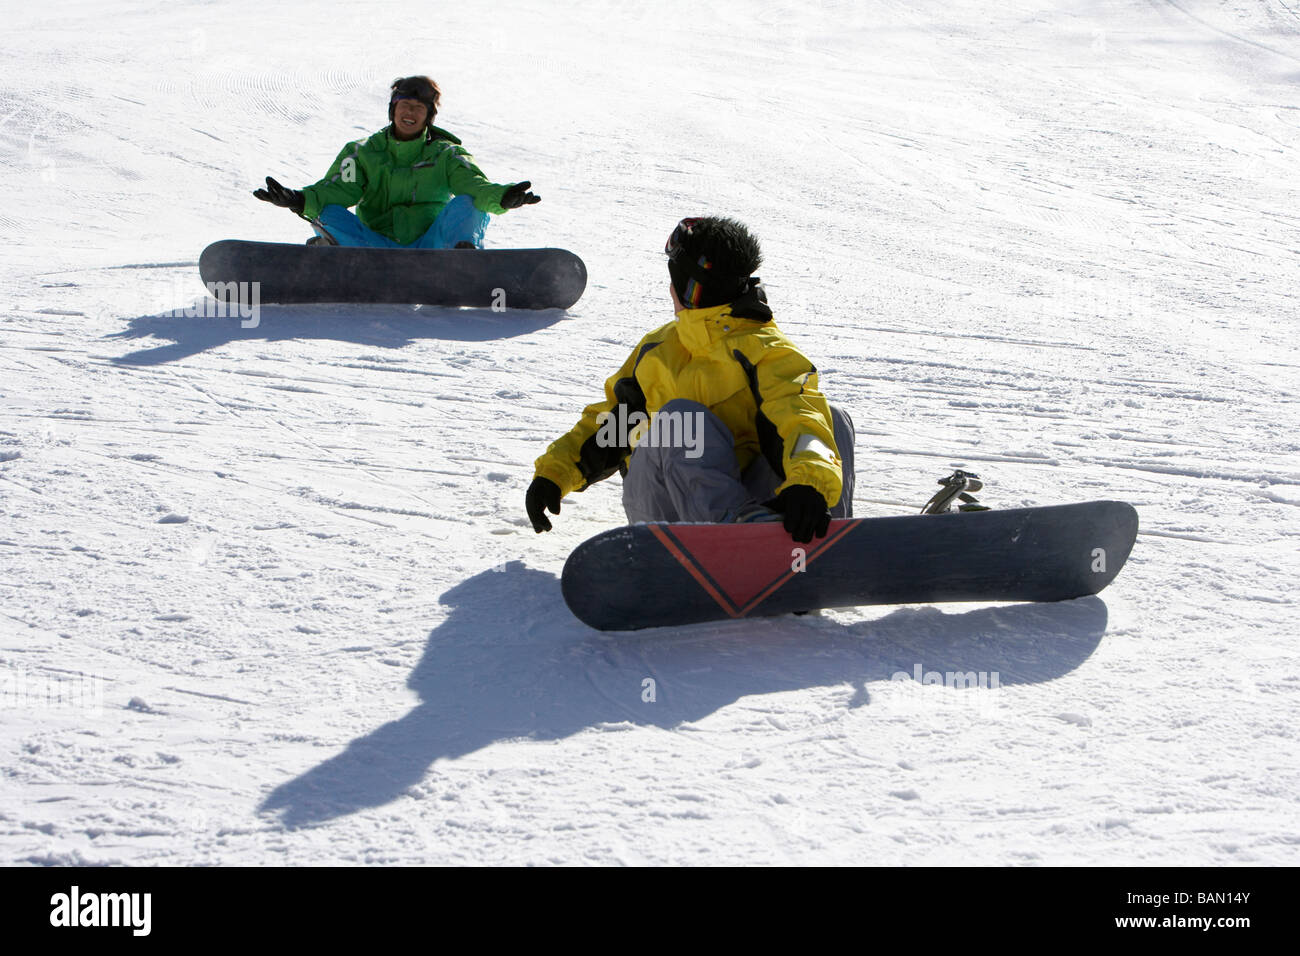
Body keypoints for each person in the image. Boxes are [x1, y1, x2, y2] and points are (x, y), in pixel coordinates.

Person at [526, 216, 855, 544]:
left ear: (684, 288)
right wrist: (553, 475)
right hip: (662, 505)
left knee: (832, 419)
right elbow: (613, 425)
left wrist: (809, 484)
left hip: (751, 503)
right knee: (680, 419)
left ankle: (816, 539)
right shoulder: (658, 350)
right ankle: (733, 535)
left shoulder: (765, 349)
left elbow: (800, 412)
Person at [252, 75, 540, 249]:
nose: (410, 113)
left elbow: (476, 187)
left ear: (429, 116)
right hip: (374, 249)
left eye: (418, 108)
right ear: (393, 110)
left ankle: (462, 261)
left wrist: (503, 198)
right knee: (326, 210)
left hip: (433, 248)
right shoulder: (363, 152)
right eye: (404, 106)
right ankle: (333, 256)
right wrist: (298, 200)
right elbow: (337, 190)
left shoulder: (446, 154)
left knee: (468, 203)